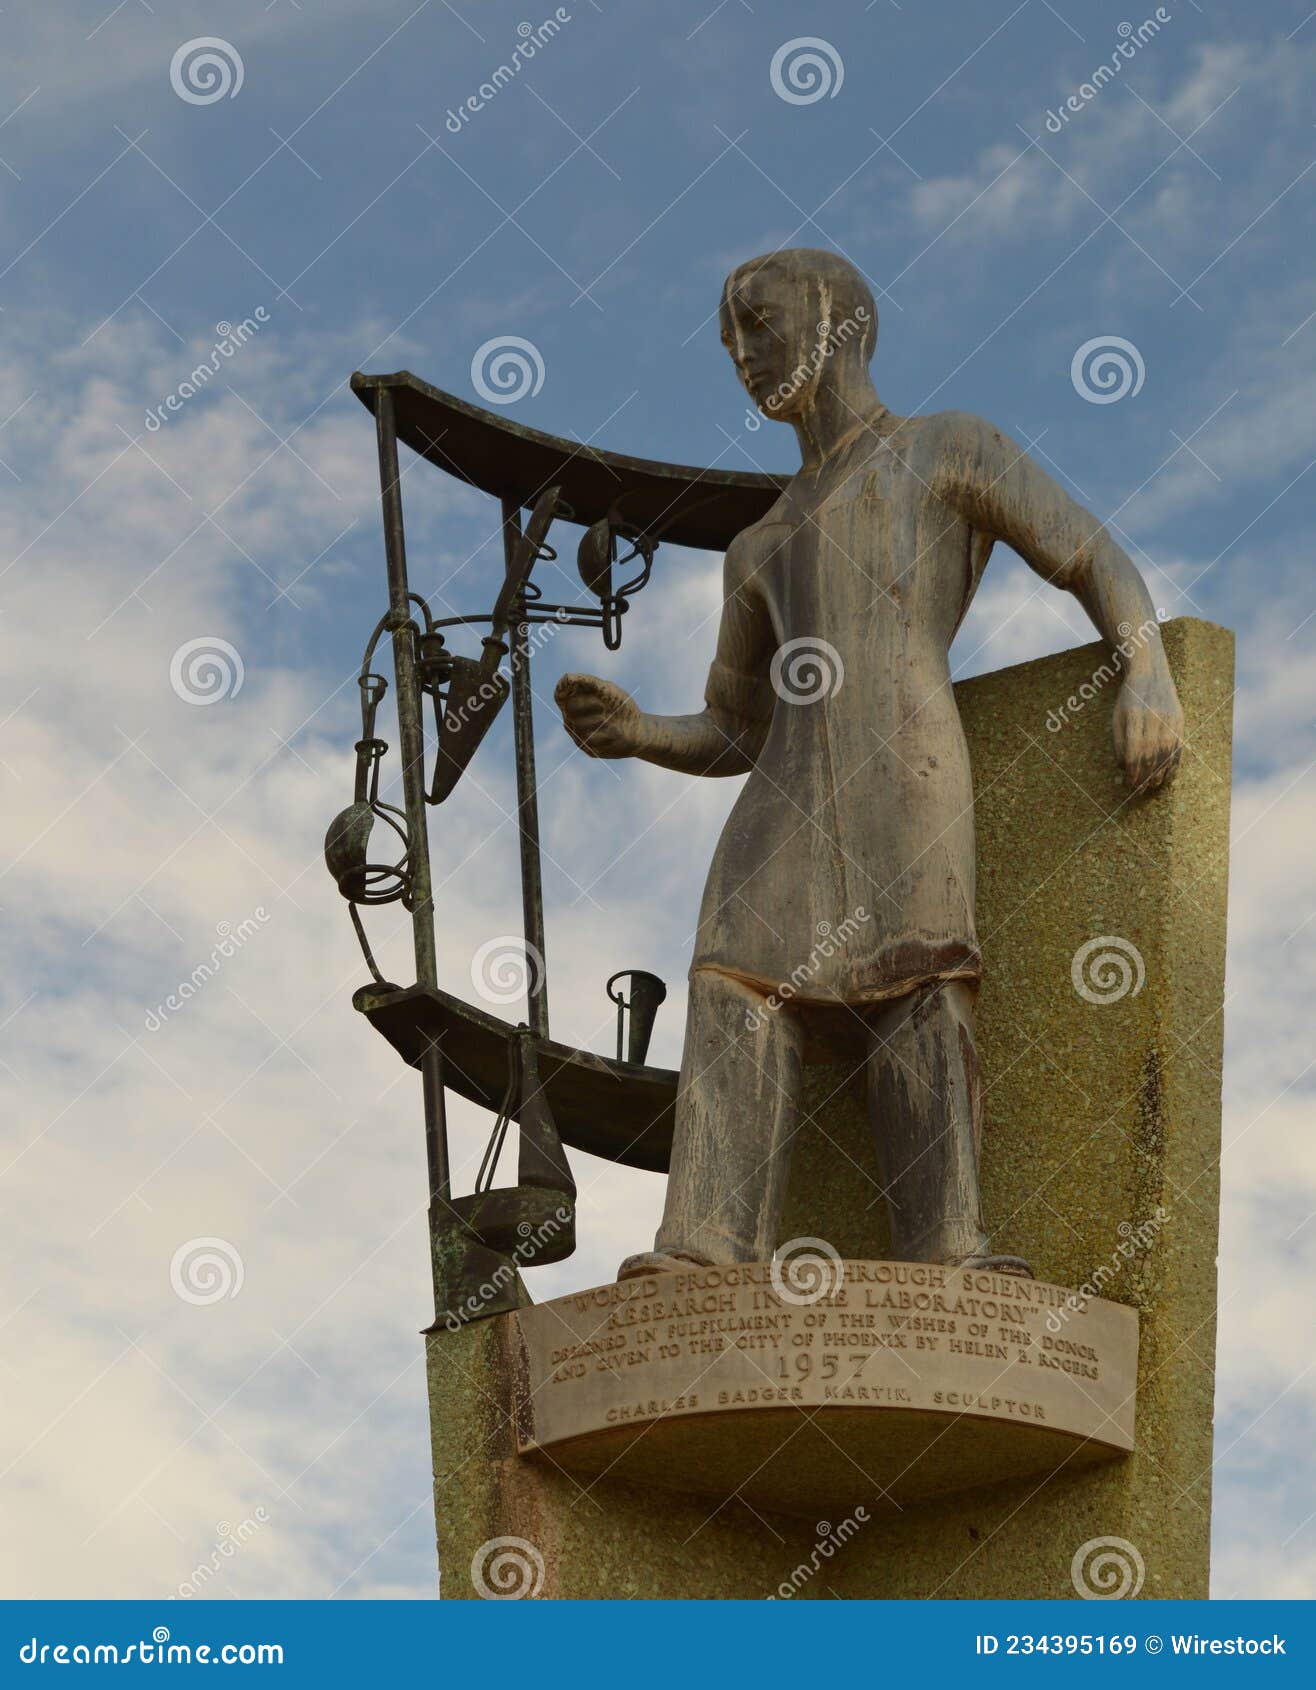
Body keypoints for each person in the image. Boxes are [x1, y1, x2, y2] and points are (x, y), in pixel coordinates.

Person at [555, 248, 1182, 1281]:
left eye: (757, 324)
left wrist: (1143, 668)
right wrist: (636, 732)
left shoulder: (945, 449)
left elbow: (1087, 555)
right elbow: (731, 727)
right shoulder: (756, 545)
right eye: (727, 342)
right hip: (782, 796)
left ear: (836, 318)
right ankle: (706, 1247)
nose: (743, 356)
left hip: (907, 765)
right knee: (728, 984)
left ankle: (948, 1249)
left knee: (918, 983)